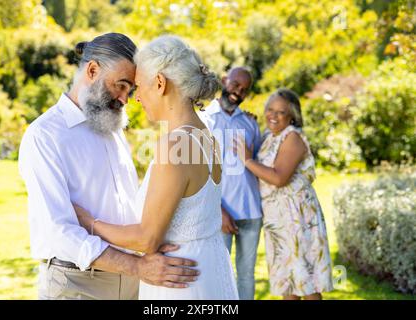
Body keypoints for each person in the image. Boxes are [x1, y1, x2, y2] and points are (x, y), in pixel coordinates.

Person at [18, 33, 200, 300]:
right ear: (92, 70)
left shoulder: (111, 127)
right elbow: (58, 232)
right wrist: (138, 266)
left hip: (134, 281)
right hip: (78, 284)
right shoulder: (44, 135)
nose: (125, 99)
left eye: (131, 90)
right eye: (121, 85)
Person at [73, 35, 239, 300]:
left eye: (139, 87)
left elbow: (146, 239)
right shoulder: (205, 135)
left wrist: (87, 222)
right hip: (208, 269)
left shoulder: (175, 145)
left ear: (160, 83)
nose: (135, 98)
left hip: (179, 282)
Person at [234, 88, 334, 300]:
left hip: (296, 217)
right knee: (286, 280)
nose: (273, 115)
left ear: (292, 116)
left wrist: (247, 160)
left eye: (280, 112)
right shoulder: (270, 136)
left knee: (305, 280)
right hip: (277, 217)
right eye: (270, 110)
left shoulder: (293, 138)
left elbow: (279, 178)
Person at [199, 67, 263, 300]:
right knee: (219, 275)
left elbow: (257, 165)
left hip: (252, 212)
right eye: (235, 84)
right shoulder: (203, 120)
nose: (238, 91)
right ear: (224, 80)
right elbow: (198, 173)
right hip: (219, 214)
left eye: (244, 89)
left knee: (246, 274)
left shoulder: (250, 124)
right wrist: (219, 210)